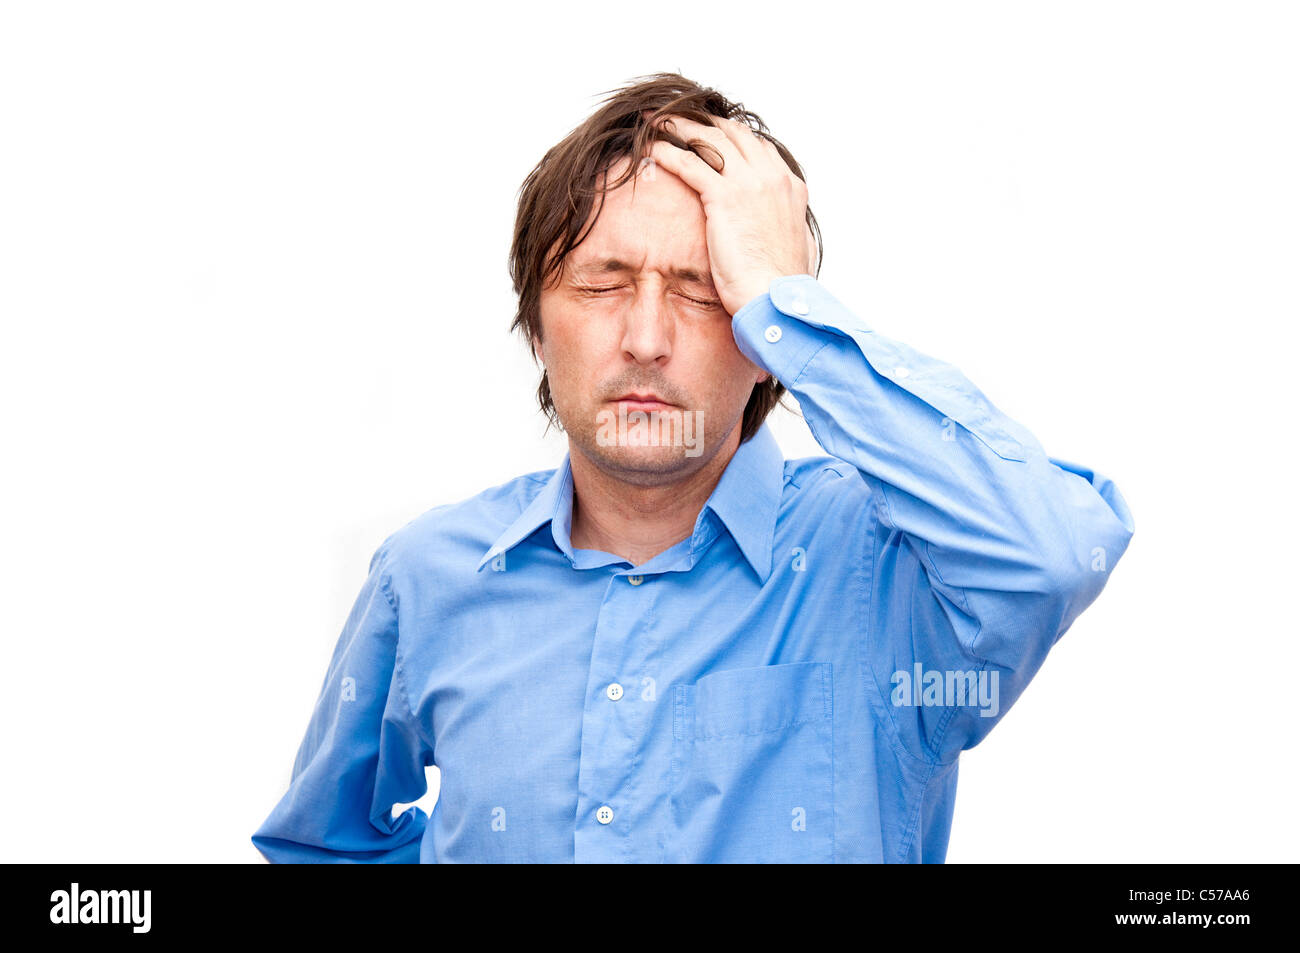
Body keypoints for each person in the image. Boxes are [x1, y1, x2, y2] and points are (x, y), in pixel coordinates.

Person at [251, 72, 1134, 863]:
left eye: (703, 291)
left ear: (764, 343)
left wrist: (787, 302)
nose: (644, 339)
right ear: (535, 325)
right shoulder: (426, 577)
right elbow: (325, 847)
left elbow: (1053, 551)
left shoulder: (888, 567)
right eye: (600, 285)